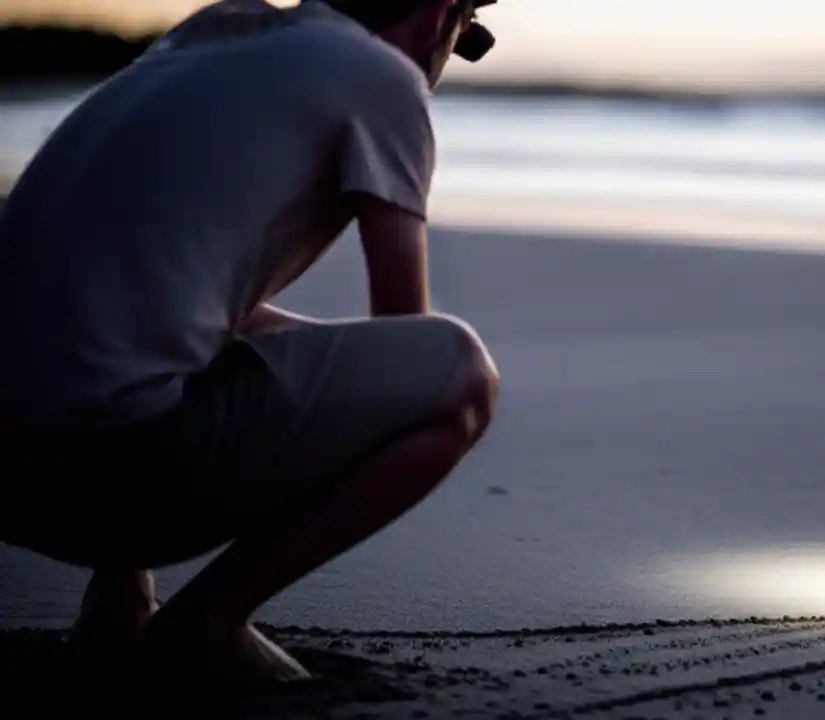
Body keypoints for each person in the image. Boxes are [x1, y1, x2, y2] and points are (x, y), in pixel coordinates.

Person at [0, 0, 501, 690]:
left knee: (143, 324)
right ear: (442, 15)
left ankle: (117, 605)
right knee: (462, 374)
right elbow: (406, 336)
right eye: (470, 37)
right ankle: (206, 623)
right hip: (99, 476)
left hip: (15, 480)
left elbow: (147, 285)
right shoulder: (383, 77)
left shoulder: (209, 34)